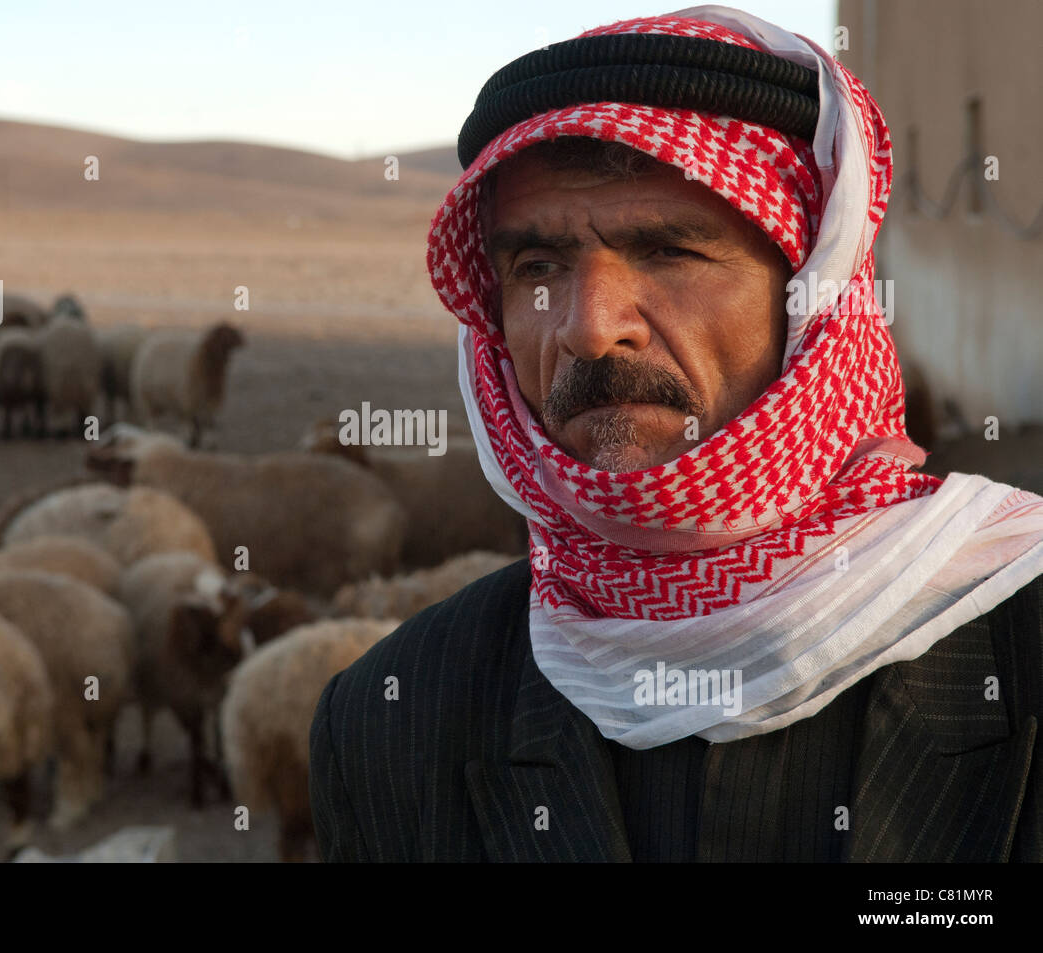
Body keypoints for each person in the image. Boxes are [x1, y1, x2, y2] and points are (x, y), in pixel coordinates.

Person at [309, 6, 1043, 862]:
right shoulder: (389, 722)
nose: (588, 328)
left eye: (668, 252)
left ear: (814, 294)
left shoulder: (1018, 641)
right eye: (537, 267)